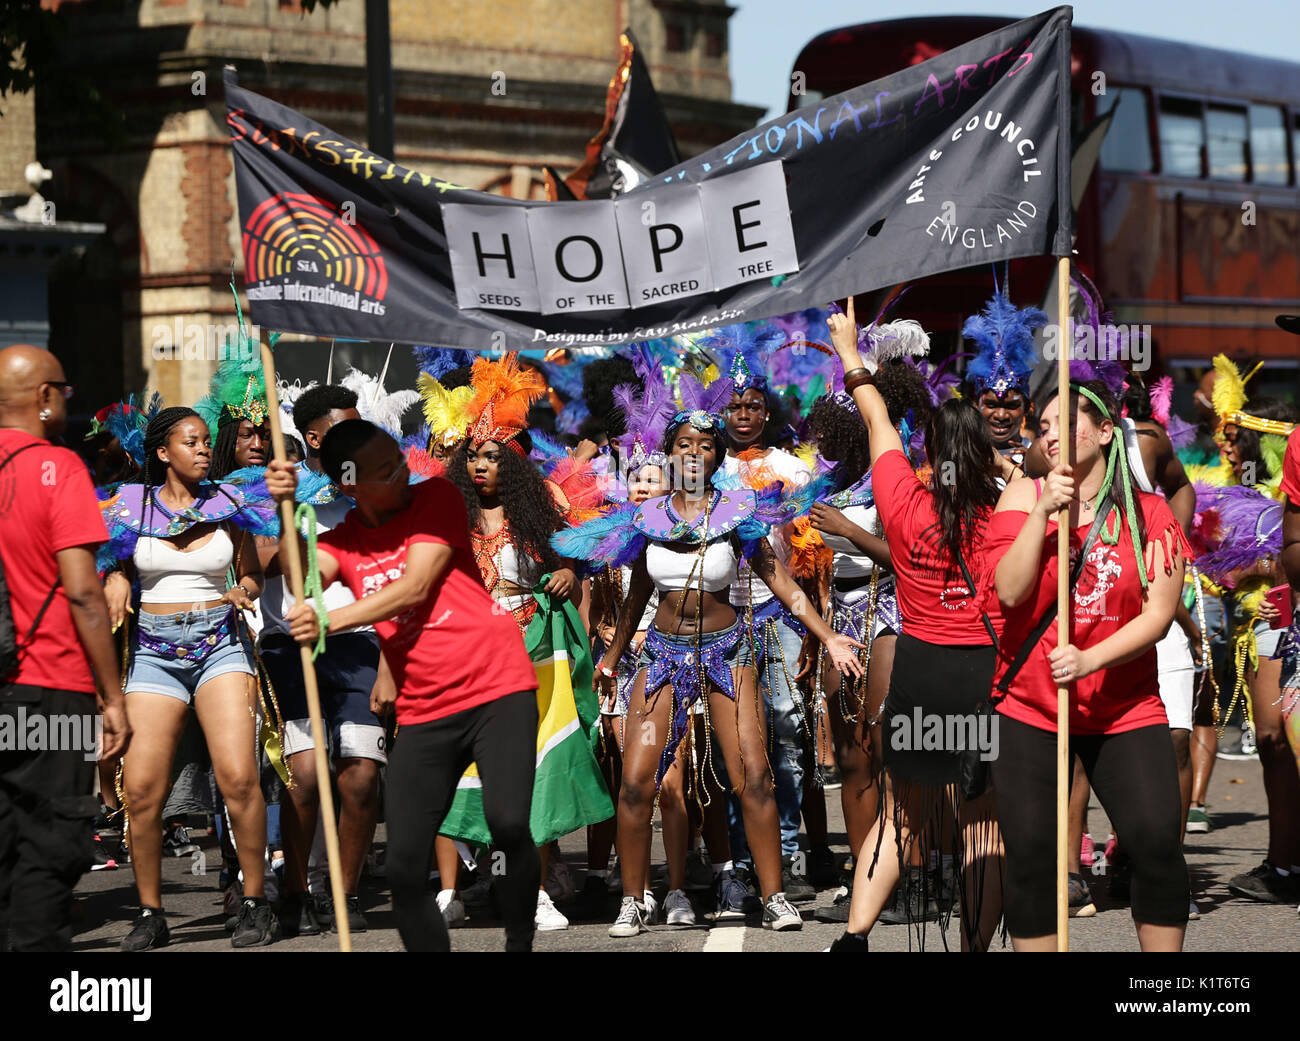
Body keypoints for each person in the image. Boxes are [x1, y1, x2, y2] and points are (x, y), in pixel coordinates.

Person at [557, 372, 864, 938]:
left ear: (717, 456)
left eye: (704, 446)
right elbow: (636, 601)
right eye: (682, 446)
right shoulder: (647, 521)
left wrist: (827, 636)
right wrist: (611, 659)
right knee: (635, 780)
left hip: (730, 652)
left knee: (753, 773)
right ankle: (633, 899)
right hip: (663, 654)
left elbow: (787, 586)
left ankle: (773, 896)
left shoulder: (739, 515)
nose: (693, 454)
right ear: (669, 457)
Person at [267, 419, 541, 953]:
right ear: (349, 484)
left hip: (495, 684)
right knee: (403, 864)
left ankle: (519, 940)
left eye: (399, 459)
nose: (403, 473)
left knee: (507, 823)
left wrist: (332, 621)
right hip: (424, 707)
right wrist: (285, 507)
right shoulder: (344, 542)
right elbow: (300, 578)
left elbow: (414, 587)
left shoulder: (435, 497)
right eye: (387, 470)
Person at [824, 300, 1005, 953]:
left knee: (901, 817)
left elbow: (876, 418)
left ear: (930, 451)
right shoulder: (1008, 514)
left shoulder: (901, 498)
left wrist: (850, 353)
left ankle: (852, 940)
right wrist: (1005, 468)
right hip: (982, 673)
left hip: (920, 665)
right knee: (983, 824)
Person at [988, 378, 1190, 951]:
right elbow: (1008, 590)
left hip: (1122, 706)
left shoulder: (1150, 513)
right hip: (1030, 706)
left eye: (1065, 422)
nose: (1050, 434)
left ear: (1105, 432)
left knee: (1155, 845)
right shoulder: (1024, 495)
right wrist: (1042, 515)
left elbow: (1159, 614)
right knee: (1031, 857)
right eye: (1043, 426)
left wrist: (1089, 658)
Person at [441, 352, 609, 934]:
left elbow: (578, 558)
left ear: (512, 464)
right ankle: (455, 890)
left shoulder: (541, 510)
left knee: (532, 774)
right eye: (475, 455)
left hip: (532, 648)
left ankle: (534, 892)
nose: (482, 464)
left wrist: (567, 574)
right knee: (469, 769)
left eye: (493, 456)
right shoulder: (446, 515)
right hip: (469, 657)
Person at [100, 406, 279, 950]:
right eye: (191, 441)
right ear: (162, 453)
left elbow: (252, 569)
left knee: (238, 777)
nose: (205, 449)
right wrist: (115, 578)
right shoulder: (127, 506)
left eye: (206, 441)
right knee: (142, 788)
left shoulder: (231, 500)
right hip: (154, 652)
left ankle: (254, 902)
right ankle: (151, 913)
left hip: (219, 644)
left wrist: (245, 591)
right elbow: (108, 560)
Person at [0, 344, 130, 952]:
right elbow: (83, 593)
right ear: (46, 399)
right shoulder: (59, 469)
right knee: (50, 842)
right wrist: (112, 697)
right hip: (53, 690)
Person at [254, 383, 389, 937]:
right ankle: (294, 892)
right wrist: (289, 510)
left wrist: (391, 663)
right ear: (314, 437)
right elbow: (261, 562)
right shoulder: (272, 491)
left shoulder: (375, 492)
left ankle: (346, 892)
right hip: (293, 649)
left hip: (360, 648)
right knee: (305, 777)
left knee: (360, 776)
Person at [804, 357, 934, 925]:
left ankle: (916, 877)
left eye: (837, 432)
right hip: (844, 616)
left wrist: (850, 530)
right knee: (853, 757)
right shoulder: (829, 483)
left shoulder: (902, 474)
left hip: (890, 612)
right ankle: (865, 878)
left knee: (892, 753)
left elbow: (915, 558)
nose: (827, 444)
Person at [713, 338, 815, 903]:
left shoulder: (790, 470)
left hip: (779, 613)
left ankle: (791, 850)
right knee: (733, 740)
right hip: (724, 618)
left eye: (753, 405)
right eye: (735, 406)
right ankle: (738, 861)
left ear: (766, 412)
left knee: (783, 728)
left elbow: (810, 549)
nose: (744, 414)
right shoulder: (705, 466)